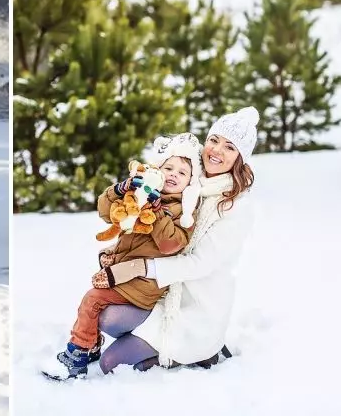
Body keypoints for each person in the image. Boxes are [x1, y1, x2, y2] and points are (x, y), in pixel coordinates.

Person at [94, 106, 259, 375]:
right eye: (214, 140)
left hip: (195, 309)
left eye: (229, 147)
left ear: (241, 158)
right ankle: (140, 342)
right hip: (162, 294)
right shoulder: (186, 177)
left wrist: (139, 267)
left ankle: (201, 353)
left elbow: (199, 263)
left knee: (109, 364)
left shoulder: (237, 206)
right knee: (107, 319)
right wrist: (121, 251)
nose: (216, 151)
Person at [42, 133, 204, 380]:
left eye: (182, 173)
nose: (173, 174)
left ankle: (76, 355)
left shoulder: (183, 212)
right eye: (168, 167)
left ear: (191, 182)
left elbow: (170, 244)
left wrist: (157, 210)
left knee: (92, 300)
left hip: (144, 286)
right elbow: (107, 213)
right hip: (125, 277)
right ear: (156, 170)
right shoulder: (143, 195)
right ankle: (91, 344)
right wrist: (120, 190)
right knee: (94, 301)